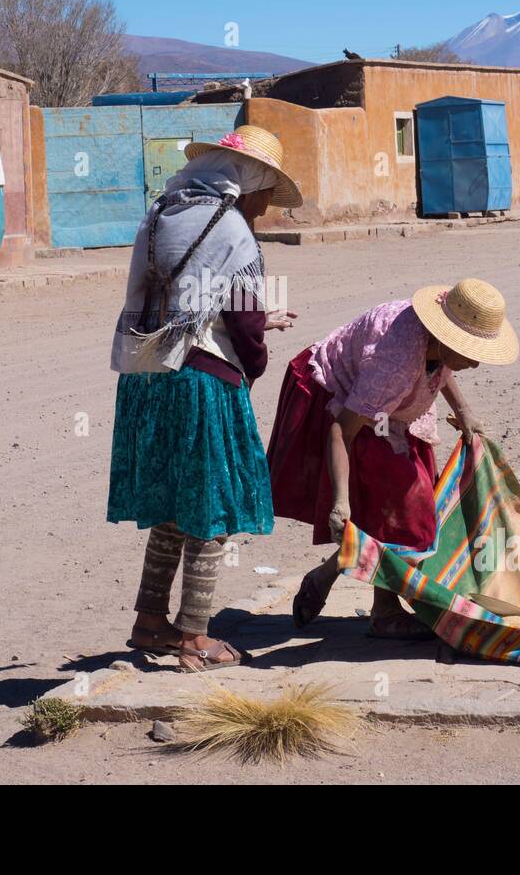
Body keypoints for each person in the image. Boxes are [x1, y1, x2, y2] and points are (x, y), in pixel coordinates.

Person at [108, 126, 300, 671]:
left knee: (174, 503)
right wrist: (257, 358)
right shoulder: (233, 228)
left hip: (148, 375)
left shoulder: (161, 212)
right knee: (211, 508)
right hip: (202, 380)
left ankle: (151, 621)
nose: (267, 206)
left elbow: (181, 294)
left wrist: (258, 320)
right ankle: (194, 636)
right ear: (251, 179)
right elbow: (242, 321)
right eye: (268, 192)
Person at [266, 279, 518, 638]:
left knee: (404, 514)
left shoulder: (435, 341)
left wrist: (463, 411)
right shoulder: (394, 361)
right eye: (469, 352)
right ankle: (380, 608)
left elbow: (439, 367)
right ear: (442, 337)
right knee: (406, 518)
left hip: (389, 410)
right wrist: (340, 502)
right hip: (343, 398)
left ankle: (347, 581)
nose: (475, 364)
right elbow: (343, 430)